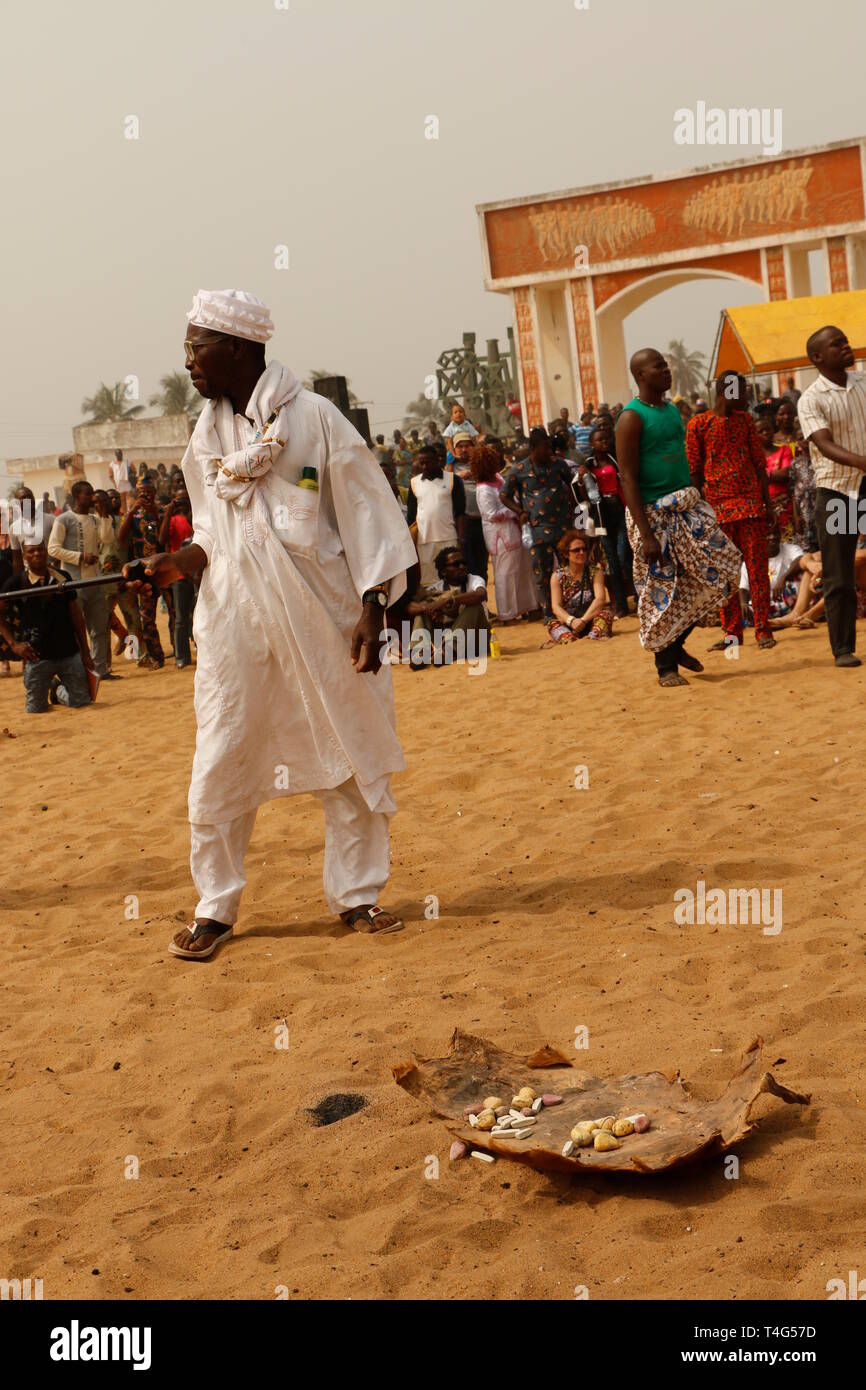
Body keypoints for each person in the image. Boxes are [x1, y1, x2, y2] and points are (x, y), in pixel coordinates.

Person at [123, 288, 416, 956]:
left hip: (324, 617)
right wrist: (173, 563)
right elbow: (213, 535)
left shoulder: (314, 420)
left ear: (239, 349)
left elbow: (369, 515)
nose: (189, 362)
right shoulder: (205, 435)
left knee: (347, 750)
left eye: (198, 348)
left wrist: (375, 611)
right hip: (234, 621)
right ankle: (216, 908)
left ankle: (359, 896)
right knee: (222, 755)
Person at [616, 348, 742, 687]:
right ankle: (665, 667)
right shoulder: (631, 417)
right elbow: (627, 476)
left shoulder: (671, 410)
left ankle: (677, 643)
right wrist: (646, 535)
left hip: (684, 510)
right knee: (664, 588)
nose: (667, 370)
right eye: (658, 367)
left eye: (666, 365)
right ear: (641, 376)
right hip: (653, 516)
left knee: (719, 572)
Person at [685, 371, 777, 651]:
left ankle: (763, 628)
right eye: (743, 390)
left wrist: (767, 504)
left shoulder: (746, 421)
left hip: (750, 507)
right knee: (725, 575)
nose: (747, 396)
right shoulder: (698, 425)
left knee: (758, 571)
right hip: (717, 511)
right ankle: (732, 633)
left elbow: (759, 465)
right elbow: (694, 472)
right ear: (728, 390)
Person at [797, 324, 866, 666]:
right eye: (837, 344)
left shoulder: (864, 383)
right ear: (817, 357)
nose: (846, 345)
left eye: (845, 340)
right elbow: (823, 445)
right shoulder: (811, 398)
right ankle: (843, 648)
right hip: (839, 493)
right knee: (839, 573)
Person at [0, 540, 94, 712]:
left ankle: (58, 691)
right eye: (31, 551)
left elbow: (77, 617)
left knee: (82, 702)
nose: (36, 554)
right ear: (24, 556)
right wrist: (14, 644)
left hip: (69, 653)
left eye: (40, 550)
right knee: (35, 709)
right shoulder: (16, 583)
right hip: (37, 658)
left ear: (46, 552)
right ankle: (55, 689)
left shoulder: (63, 578)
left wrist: (86, 653)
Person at [499, 427, 576, 621]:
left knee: (570, 569)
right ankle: (549, 614)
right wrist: (520, 512)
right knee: (542, 574)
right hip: (537, 531)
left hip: (564, 528)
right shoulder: (519, 470)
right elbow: (504, 495)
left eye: (549, 447)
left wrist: (577, 510)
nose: (549, 451)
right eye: (544, 448)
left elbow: (574, 486)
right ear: (533, 448)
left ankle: (572, 608)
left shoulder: (559, 465)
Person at [47, 479, 110, 677]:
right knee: (76, 630)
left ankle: (100, 671)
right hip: (74, 583)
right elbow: (53, 549)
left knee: (99, 628)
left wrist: (105, 514)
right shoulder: (63, 519)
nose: (92, 497)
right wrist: (80, 557)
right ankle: (78, 671)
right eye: (87, 493)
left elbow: (107, 539)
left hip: (95, 581)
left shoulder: (94, 519)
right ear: (76, 496)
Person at [472, 441, 538, 622]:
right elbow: (491, 514)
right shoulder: (483, 488)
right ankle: (507, 613)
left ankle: (529, 607)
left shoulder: (498, 478)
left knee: (523, 570)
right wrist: (514, 511)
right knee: (505, 575)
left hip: (514, 531)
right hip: (500, 537)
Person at [575, 424, 632, 617]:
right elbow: (582, 496)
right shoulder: (588, 465)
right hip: (601, 518)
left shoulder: (615, 459)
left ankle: (638, 597)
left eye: (606, 439)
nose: (604, 442)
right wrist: (582, 479)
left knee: (624, 557)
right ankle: (622, 606)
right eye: (599, 440)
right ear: (592, 443)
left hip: (621, 512)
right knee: (612, 563)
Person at [405, 545, 489, 668]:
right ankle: (419, 652)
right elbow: (409, 607)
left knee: (473, 605)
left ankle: (449, 649)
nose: (462, 567)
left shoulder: (474, 580)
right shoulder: (436, 588)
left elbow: (481, 594)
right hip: (445, 640)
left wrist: (449, 601)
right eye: (456, 564)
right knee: (422, 608)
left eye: (463, 563)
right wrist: (428, 608)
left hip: (476, 640)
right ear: (444, 571)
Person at [118, 477, 166, 669]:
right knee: (147, 618)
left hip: (164, 569)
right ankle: (157, 656)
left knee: (175, 614)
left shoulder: (161, 512)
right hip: (144, 573)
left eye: (148, 492)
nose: (145, 495)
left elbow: (164, 539)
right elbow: (121, 540)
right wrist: (131, 512)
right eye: (141, 492)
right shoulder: (132, 515)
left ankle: (182, 653)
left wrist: (156, 514)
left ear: (154, 492)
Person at [94, 487, 142, 662]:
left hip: (123, 577)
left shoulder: (125, 521)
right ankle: (105, 663)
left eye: (115, 498)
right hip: (101, 580)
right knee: (102, 621)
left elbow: (129, 547)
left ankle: (138, 655)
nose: (112, 501)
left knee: (133, 619)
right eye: (109, 499)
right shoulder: (93, 522)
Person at [407, 445, 466, 583]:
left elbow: (460, 513)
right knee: (429, 580)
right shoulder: (414, 483)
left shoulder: (453, 480)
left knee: (453, 579)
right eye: (421, 462)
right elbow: (411, 518)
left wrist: (461, 539)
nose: (424, 466)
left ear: (437, 460)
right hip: (424, 541)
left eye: (427, 462)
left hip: (449, 538)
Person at [545, 530, 613, 644]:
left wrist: (583, 621)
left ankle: (592, 636)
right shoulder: (557, 577)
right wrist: (571, 621)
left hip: (590, 621)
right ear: (566, 554)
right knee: (552, 624)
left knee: (606, 614)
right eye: (576, 550)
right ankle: (570, 638)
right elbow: (556, 607)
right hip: (569, 623)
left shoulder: (595, 572)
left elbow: (600, 600)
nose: (581, 552)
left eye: (584, 549)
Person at [158, 474, 196, 668]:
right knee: (181, 618)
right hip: (181, 575)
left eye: (185, 498)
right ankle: (182, 657)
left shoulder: (197, 515)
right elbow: (162, 539)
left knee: (200, 616)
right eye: (179, 499)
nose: (182, 502)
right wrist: (168, 512)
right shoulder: (173, 519)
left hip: (200, 574)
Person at [450, 431, 488, 583]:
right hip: (463, 523)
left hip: (483, 521)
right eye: (460, 446)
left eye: (467, 446)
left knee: (482, 564)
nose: (464, 450)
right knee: (467, 565)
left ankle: (483, 603)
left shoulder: (480, 463)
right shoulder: (450, 466)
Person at [755, 414, 793, 540]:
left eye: (768, 429)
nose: (765, 432)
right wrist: (773, 474)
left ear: (773, 430)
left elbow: (786, 473)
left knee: (788, 540)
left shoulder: (784, 450)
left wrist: (762, 474)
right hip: (763, 508)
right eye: (760, 431)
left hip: (784, 506)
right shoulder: (752, 456)